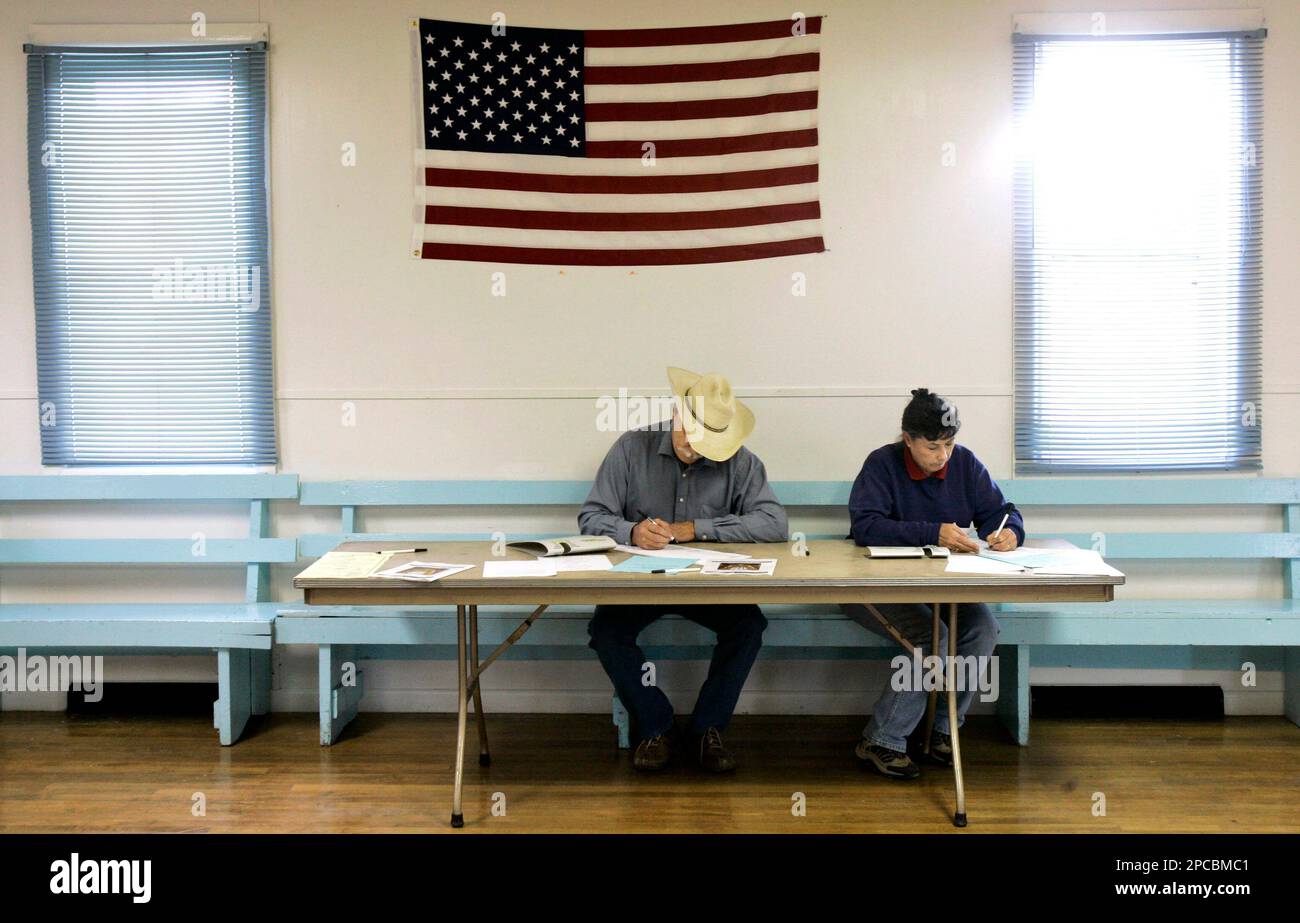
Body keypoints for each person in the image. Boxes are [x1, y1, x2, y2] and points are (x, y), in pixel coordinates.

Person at [579, 367, 788, 773]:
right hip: (640, 584)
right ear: (677, 413)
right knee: (606, 631)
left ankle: (707, 729)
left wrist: (695, 529)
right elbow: (592, 517)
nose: (696, 449)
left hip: (710, 586)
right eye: (691, 436)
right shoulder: (630, 448)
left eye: (709, 441)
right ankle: (656, 724)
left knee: (748, 627)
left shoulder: (739, 461)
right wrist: (632, 531)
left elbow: (775, 523)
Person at [843, 388, 1024, 780]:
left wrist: (1010, 532)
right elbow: (866, 527)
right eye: (932, 446)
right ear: (907, 439)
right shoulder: (881, 464)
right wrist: (933, 532)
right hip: (871, 588)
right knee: (932, 637)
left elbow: (1000, 512)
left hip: (943, 589)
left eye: (949, 444)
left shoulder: (966, 465)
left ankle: (942, 730)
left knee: (982, 628)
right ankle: (881, 739)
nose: (943, 455)